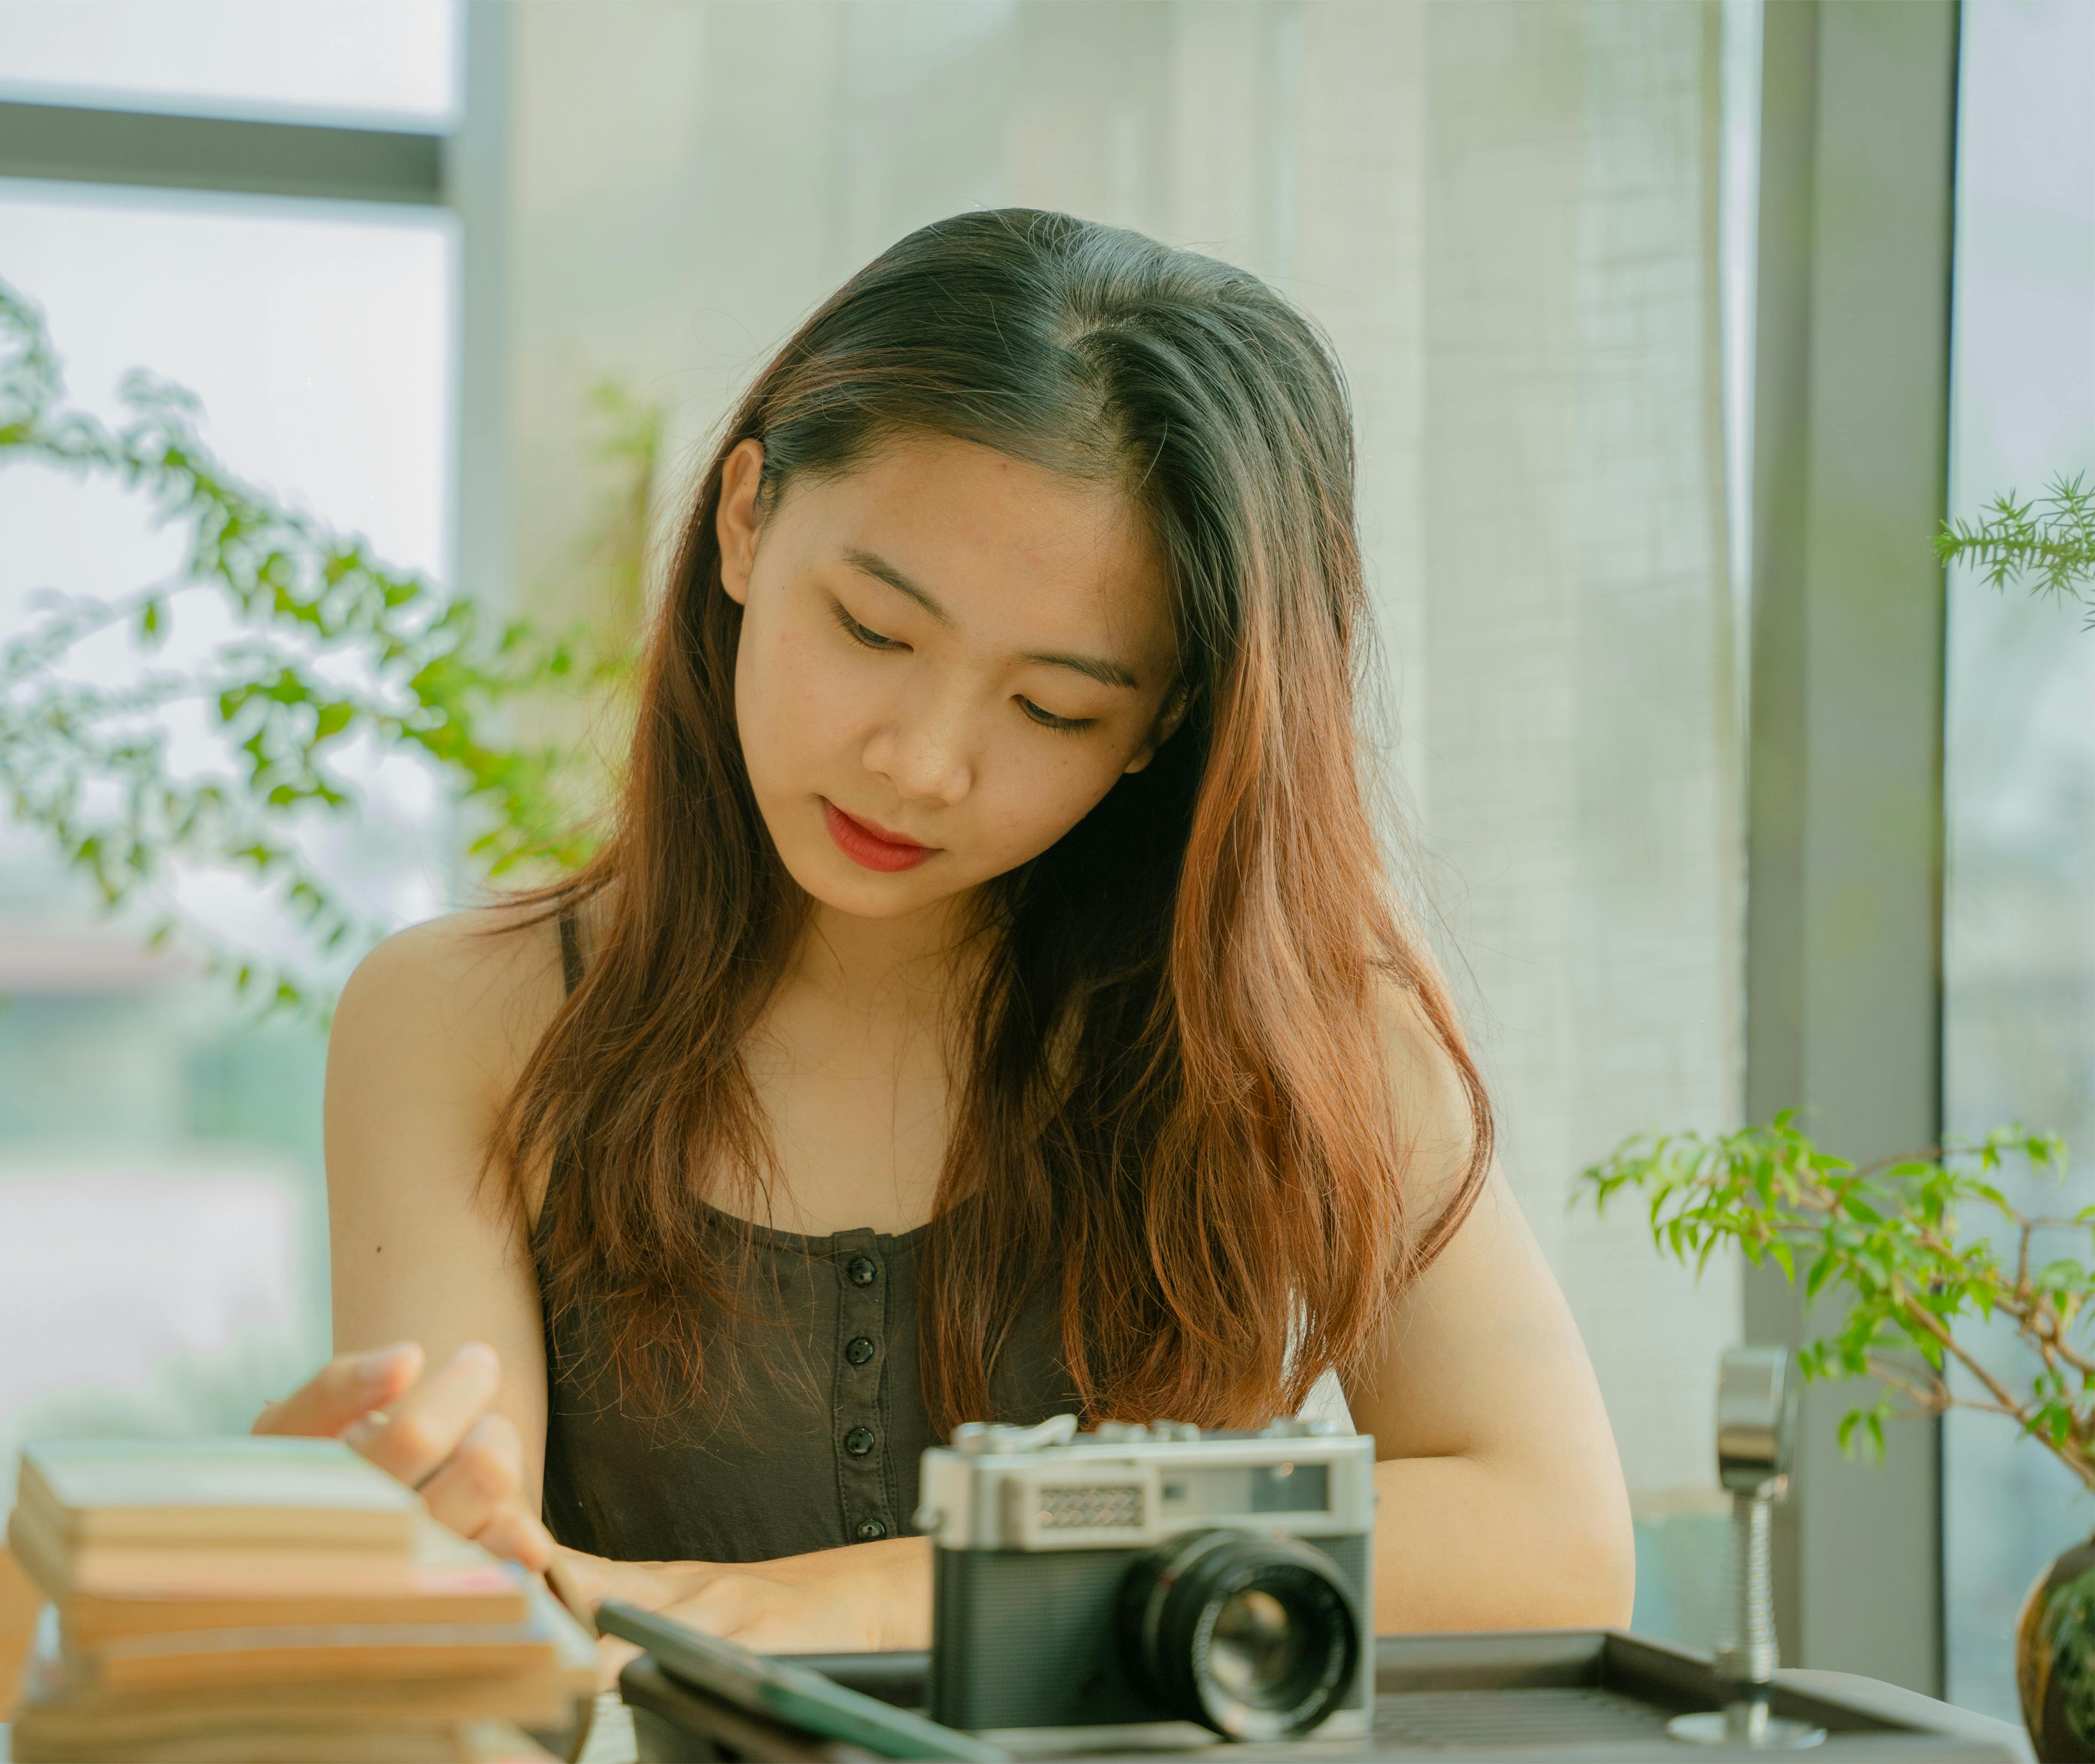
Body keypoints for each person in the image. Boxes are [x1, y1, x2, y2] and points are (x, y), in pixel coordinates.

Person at [256, 209, 1634, 1652]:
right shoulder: (467, 1017)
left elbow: (1550, 1538)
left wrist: (834, 1600)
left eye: (1052, 708)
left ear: (1165, 721)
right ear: (745, 520)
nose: (921, 761)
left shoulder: (1294, 1021)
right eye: (871, 628)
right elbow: (476, 1610)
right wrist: (331, 1550)